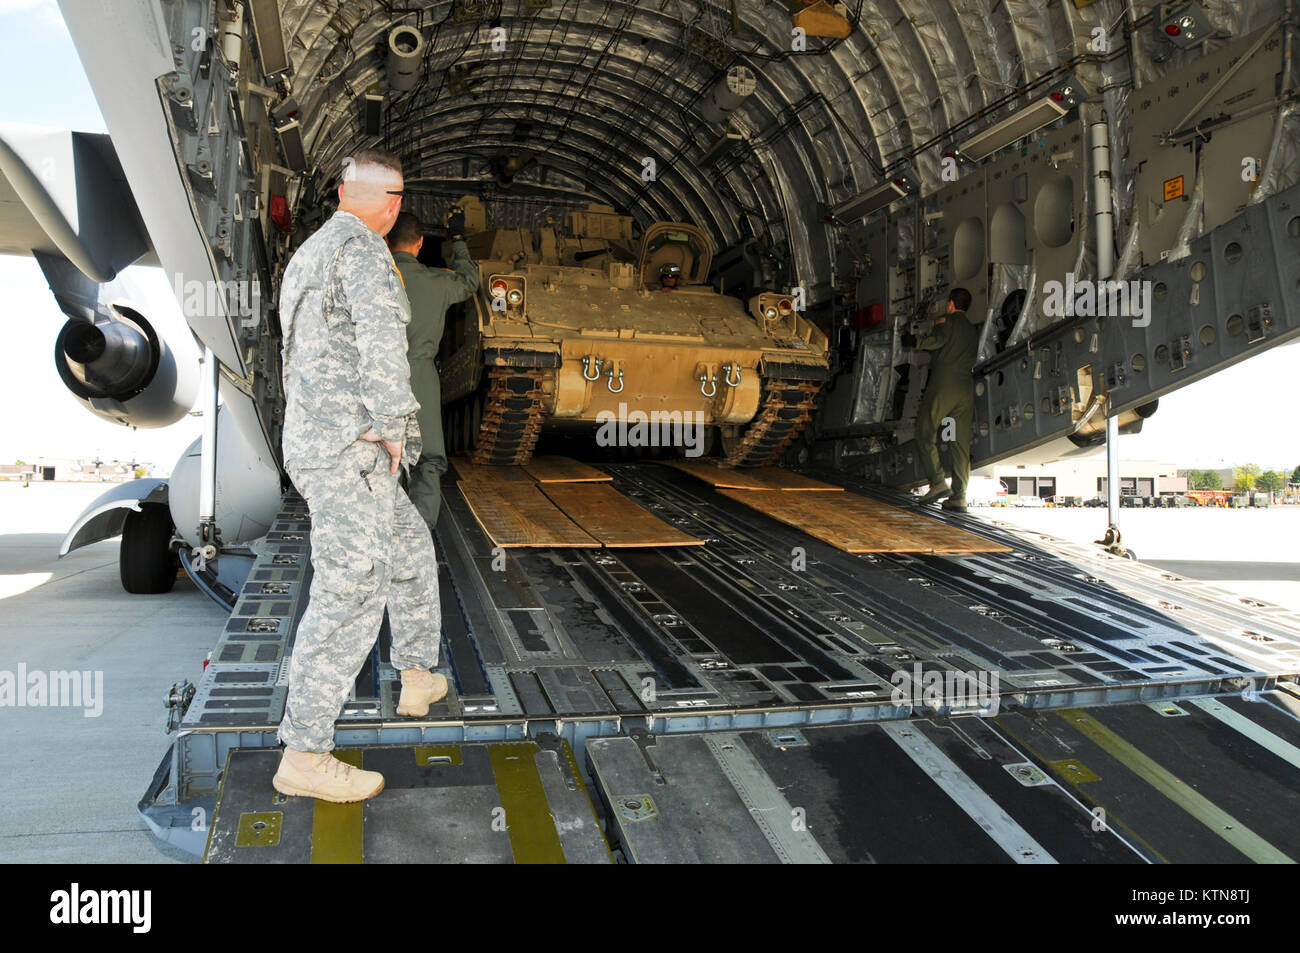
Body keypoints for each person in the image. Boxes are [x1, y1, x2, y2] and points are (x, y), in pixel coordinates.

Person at [273, 148, 447, 803]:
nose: (398, 206)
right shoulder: (367, 253)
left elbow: (305, 352)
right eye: (398, 197)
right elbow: (381, 348)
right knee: (351, 590)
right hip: (352, 449)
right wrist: (397, 428)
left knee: (407, 545)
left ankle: (418, 671)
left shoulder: (310, 254)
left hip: (319, 438)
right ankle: (306, 752)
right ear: (391, 202)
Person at [386, 207, 479, 528]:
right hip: (421, 377)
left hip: (378, 376)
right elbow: (469, 281)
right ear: (420, 243)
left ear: (385, 240)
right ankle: (417, 534)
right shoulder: (437, 281)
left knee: (384, 460)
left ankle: (384, 529)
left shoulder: (369, 279)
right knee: (428, 461)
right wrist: (458, 238)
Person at [908, 287, 978, 512]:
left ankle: (937, 482)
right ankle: (959, 496)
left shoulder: (946, 320)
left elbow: (938, 340)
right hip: (965, 390)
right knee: (959, 443)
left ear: (950, 304)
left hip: (943, 386)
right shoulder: (971, 328)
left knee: (925, 431)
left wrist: (915, 341)